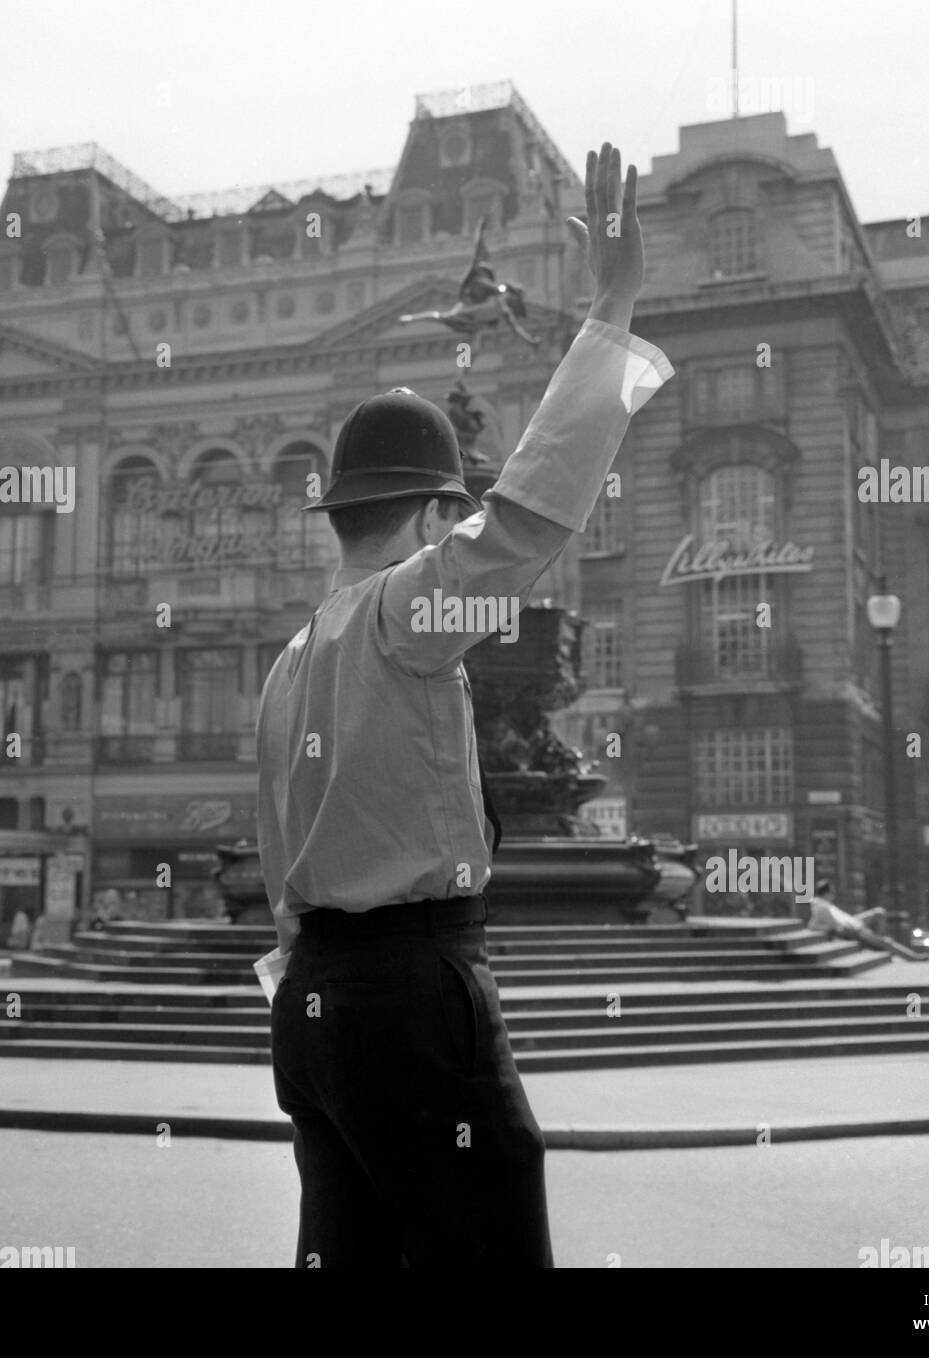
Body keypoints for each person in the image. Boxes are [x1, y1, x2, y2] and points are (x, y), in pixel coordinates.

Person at [256, 142, 672, 1269]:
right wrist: (614, 311)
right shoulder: (404, 615)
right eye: (455, 515)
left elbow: (282, 873)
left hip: (313, 1007)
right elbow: (531, 518)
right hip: (409, 996)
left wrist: (310, 997)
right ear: (439, 510)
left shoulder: (293, 659)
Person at [808, 880, 929, 961]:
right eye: (832, 892)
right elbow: (814, 926)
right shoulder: (821, 907)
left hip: (852, 923)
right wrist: (834, 929)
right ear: (826, 893)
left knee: (879, 912)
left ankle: (880, 941)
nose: (834, 895)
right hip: (851, 929)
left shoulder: (825, 904)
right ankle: (911, 956)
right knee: (887, 941)